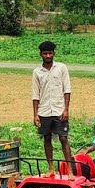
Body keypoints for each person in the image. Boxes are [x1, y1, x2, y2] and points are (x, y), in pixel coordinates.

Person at [32, 40, 74, 175]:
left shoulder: (61, 68)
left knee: (63, 138)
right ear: (41, 55)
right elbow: (35, 94)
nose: (48, 56)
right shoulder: (37, 72)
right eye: (45, 53)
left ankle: (69, 170)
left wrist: (66, 109)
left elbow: (67, 90)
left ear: (54, 53)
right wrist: (35, 114)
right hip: (44, 110)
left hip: (59, 110)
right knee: (47, 138)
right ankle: (51, 169)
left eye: (50, 53)